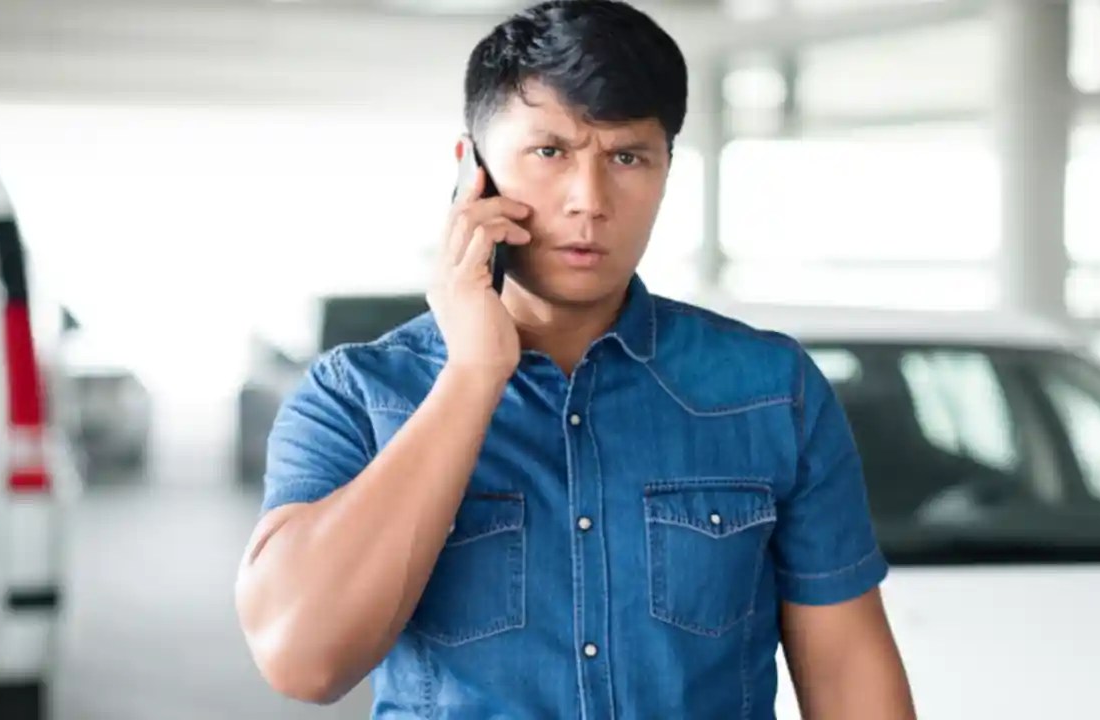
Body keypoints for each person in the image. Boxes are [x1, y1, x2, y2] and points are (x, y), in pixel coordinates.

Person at [235, 1, 916, 717]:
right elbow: (303, 660)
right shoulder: (358, 394)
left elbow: (848, 677)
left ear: (666, 169)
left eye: (627, 157)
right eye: (550, 152)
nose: (588, 202)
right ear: (474, 169)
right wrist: (471, 376)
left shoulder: (771, 389)